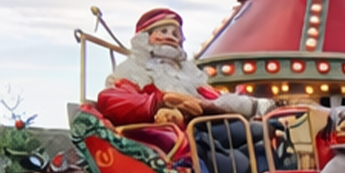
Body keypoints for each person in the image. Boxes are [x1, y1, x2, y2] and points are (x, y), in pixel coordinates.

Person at [93, 9, 264, 155]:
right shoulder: (133, 72)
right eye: (163, 32)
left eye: (175, 34)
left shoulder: (187, 75)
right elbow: (110, 100)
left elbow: (216, 98)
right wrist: (159, 102)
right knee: (242, 143)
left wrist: (255, 106)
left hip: (203, 129)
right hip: (174, 139)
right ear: (144, 39)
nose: (170, 37)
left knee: (261, 141)